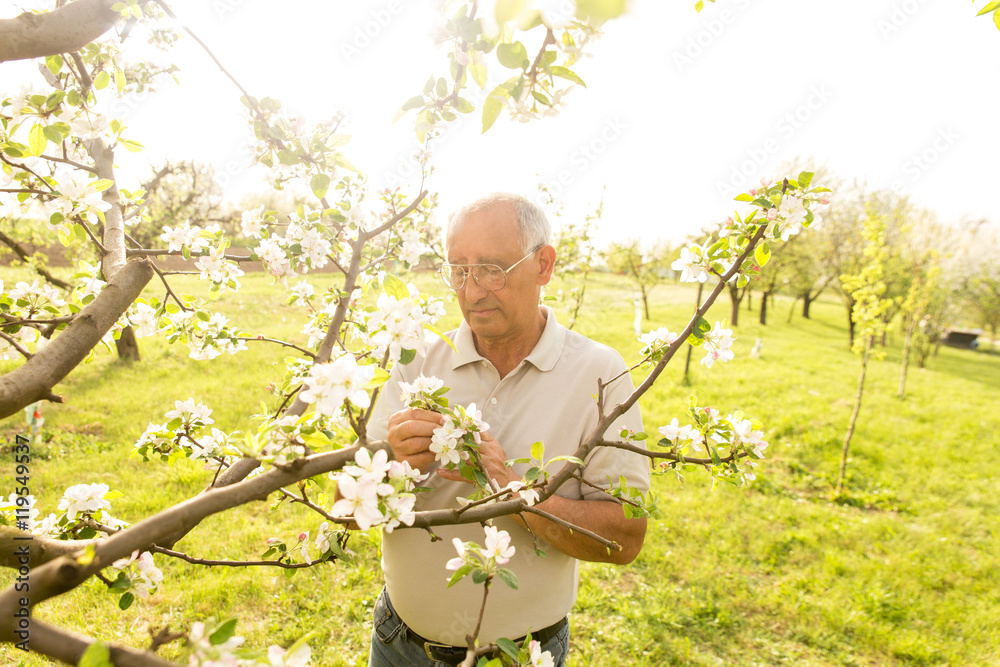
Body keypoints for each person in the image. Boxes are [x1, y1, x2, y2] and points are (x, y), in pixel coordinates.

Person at [366, 192, 650, 666]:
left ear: (543, 266)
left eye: (492, 270)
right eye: (458, 269)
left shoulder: (600, 374)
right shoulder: (413, 355)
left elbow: (625, 539)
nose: (471, 291)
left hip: (524, 656)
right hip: (400, 645)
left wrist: (514, 492)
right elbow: (346, 508)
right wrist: (388, 467)